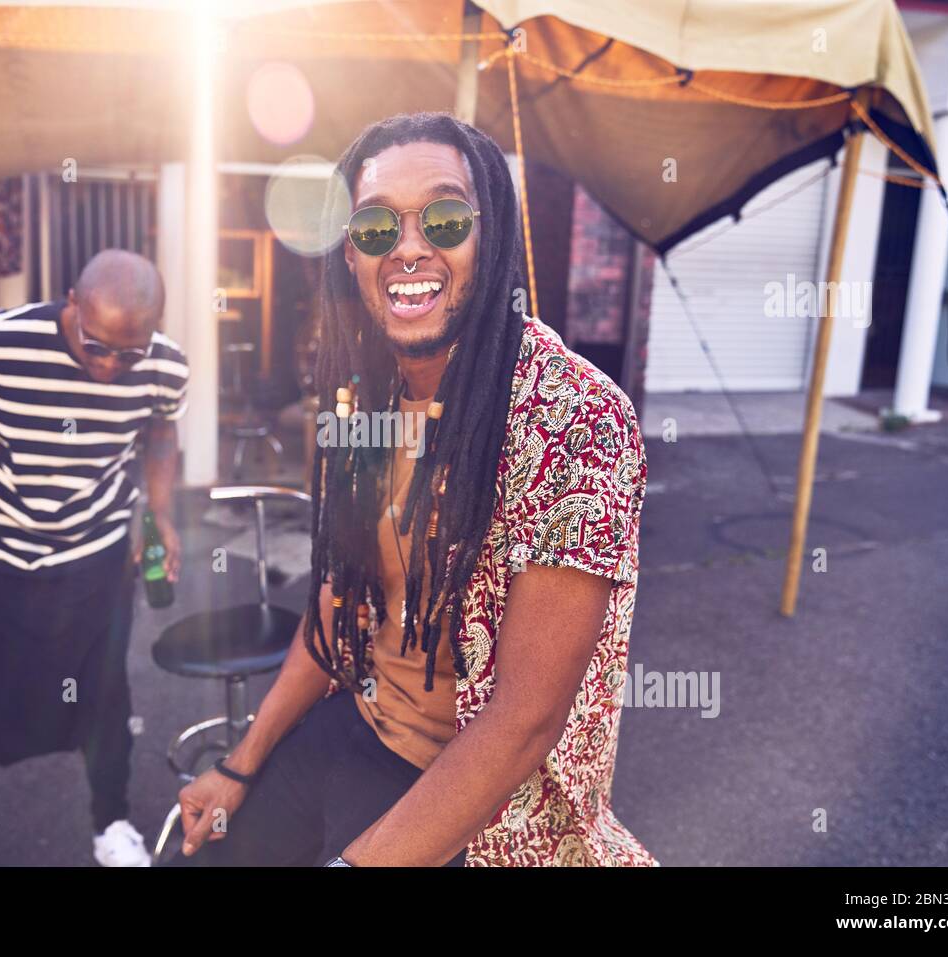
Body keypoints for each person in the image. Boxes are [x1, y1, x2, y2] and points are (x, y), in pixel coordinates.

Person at [174, 112, 655, 867]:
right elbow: (336, 602)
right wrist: (241, 762)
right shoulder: (364, 401)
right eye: (374, 227)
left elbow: (524, 720)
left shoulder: (574, 419)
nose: (407, 246)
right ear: (350, 255)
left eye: (445, 216)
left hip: (487, 804)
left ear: (489, 233)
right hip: (360, 732)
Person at [0, 249, 187, 867]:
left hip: (94, 554)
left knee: (105, 696)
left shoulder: (165, 365)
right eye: (98, 348)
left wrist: (161, 512)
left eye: (129, 353)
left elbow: (163, 430)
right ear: (72, 302)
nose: (112, 368)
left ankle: (112, 826)